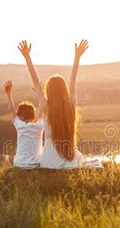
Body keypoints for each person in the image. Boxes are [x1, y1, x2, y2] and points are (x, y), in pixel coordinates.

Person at [17, 39, 89, 169]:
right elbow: (73, 80)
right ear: (64, 90)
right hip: (69, 163)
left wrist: (27, 57)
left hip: (48, 163)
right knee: (80, 157)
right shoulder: (71, 105)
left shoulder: (46, 107)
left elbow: (35, 80)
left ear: (49, 91)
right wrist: (77, 57)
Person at [3, 80, 44, 169]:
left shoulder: (19, 125)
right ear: (33, 116)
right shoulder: (39, 126)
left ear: (21, 117)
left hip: (19, 164)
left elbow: (11, 110)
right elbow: (42, 108)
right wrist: (40, 93)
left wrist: (8, 93)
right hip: (35, 165)